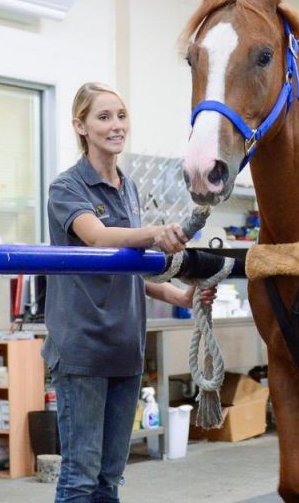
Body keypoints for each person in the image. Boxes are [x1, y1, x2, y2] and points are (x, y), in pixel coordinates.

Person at [44, 82, 215, 503]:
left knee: (109, 478)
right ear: (79, 126)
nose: (116, 125)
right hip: (83, 349)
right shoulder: (68, 188)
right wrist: (156, 233)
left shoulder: (129, 186)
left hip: (125, 347)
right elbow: (99, 238)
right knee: (80, 477)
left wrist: (177, 296)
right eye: (103, 117)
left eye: (121, 115)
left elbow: (125, 267)